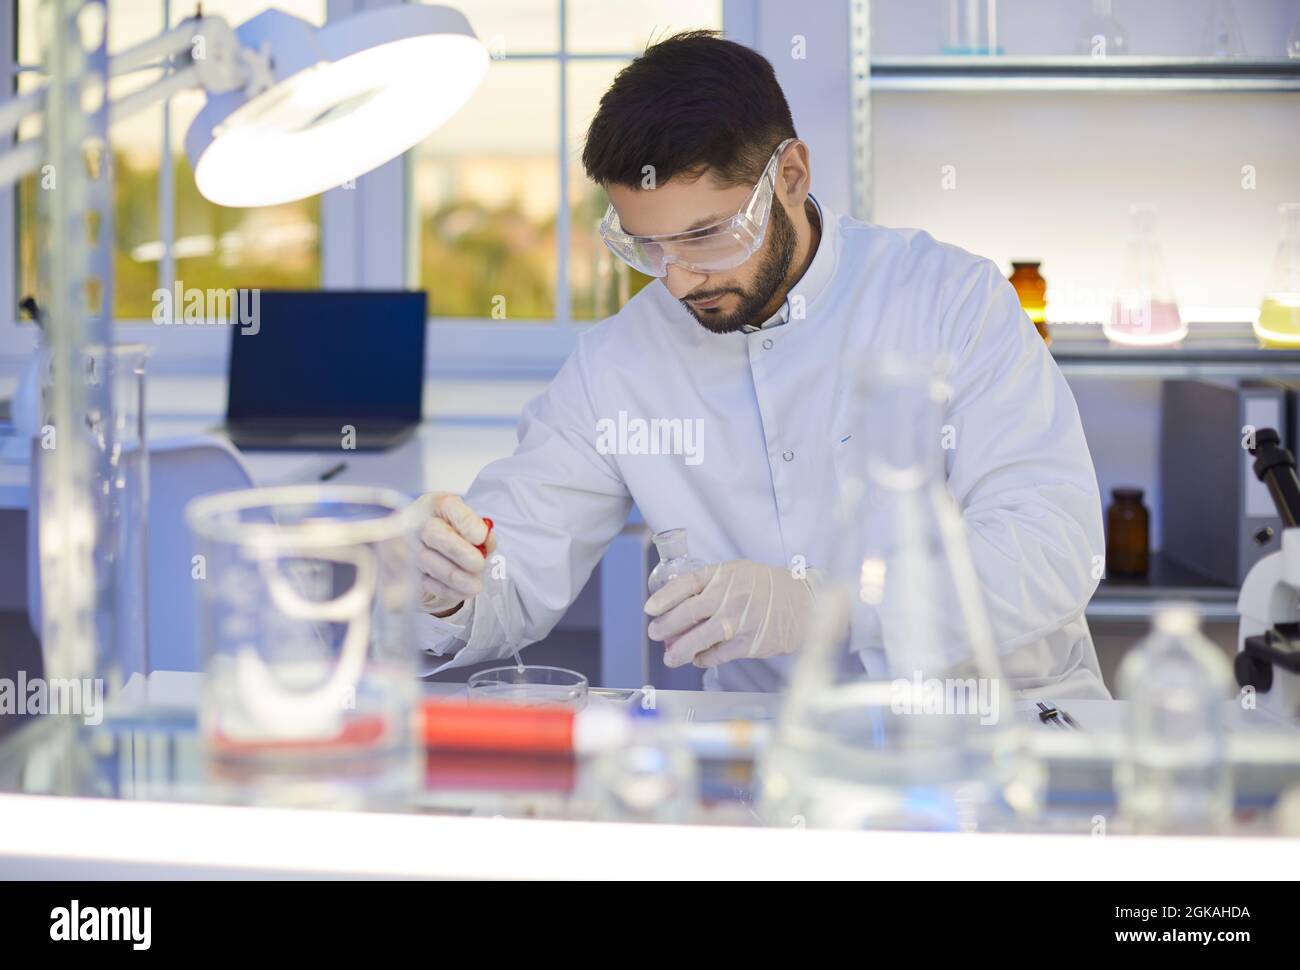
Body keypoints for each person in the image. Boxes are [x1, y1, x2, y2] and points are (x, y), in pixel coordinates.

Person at [415, 30, 1109, 698]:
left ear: (790, 176)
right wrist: (447, 583)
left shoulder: (949, 297)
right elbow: (513, 571)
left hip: (1004, 718)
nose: (679, 280)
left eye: (707, 236)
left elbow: (1054, 547)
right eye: (648, 247)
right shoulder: (617, 364)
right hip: (775, 744)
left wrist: (831, 605)